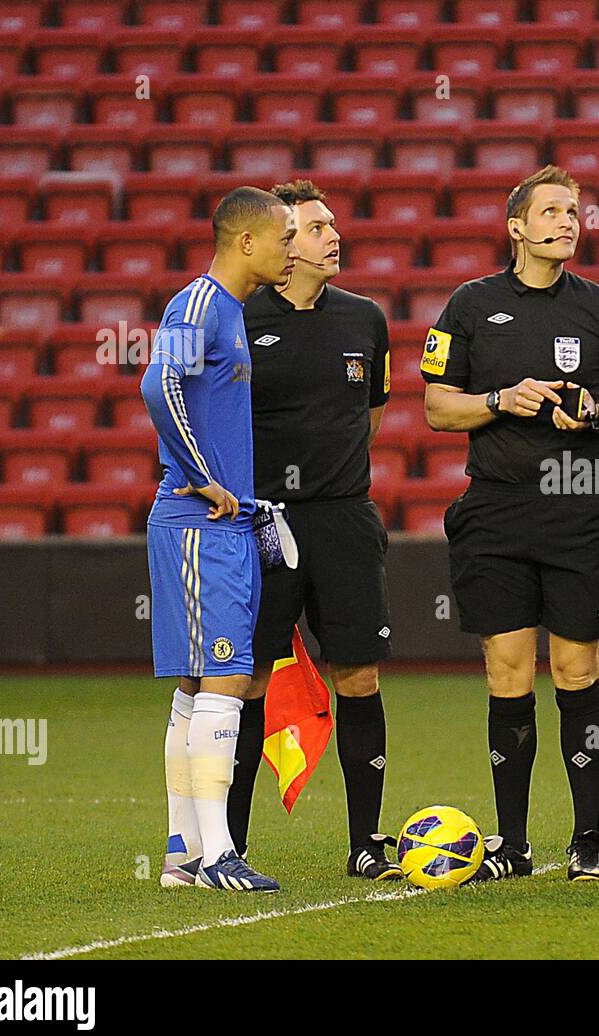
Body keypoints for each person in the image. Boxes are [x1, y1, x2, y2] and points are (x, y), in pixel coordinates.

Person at [421, 165, 599, 882]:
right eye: (550, 211)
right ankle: (512, 846)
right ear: (515, 226)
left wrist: (598, 415)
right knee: (507, 672)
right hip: (496, 509)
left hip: (579, 503)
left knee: (578, 668)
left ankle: (586, 842)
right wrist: (501, 399)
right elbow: (436, 408)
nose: (567, 221)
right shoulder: (469, 304)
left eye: (574, 211)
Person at [226, 179, 399, 879]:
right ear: (284, 242)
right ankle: (227, 848)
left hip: (343, 522)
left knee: (358, 675)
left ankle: (365, 846)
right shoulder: (236, 320)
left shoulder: (366, 319)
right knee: (246, 679)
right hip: (262, 525)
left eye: (334, 224)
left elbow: (373, 417)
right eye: (319, 227)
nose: (335, 236)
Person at [142, 186, 298, 892]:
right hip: (203, 527)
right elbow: (157, 382)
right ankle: (214, 857)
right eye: (282, 238)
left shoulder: (228, 310)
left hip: (220, 527)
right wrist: (204, 478)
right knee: (228, 680)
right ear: (245, 242)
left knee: (198, 686)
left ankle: (182, 851)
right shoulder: (200, 303)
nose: (289, 250)